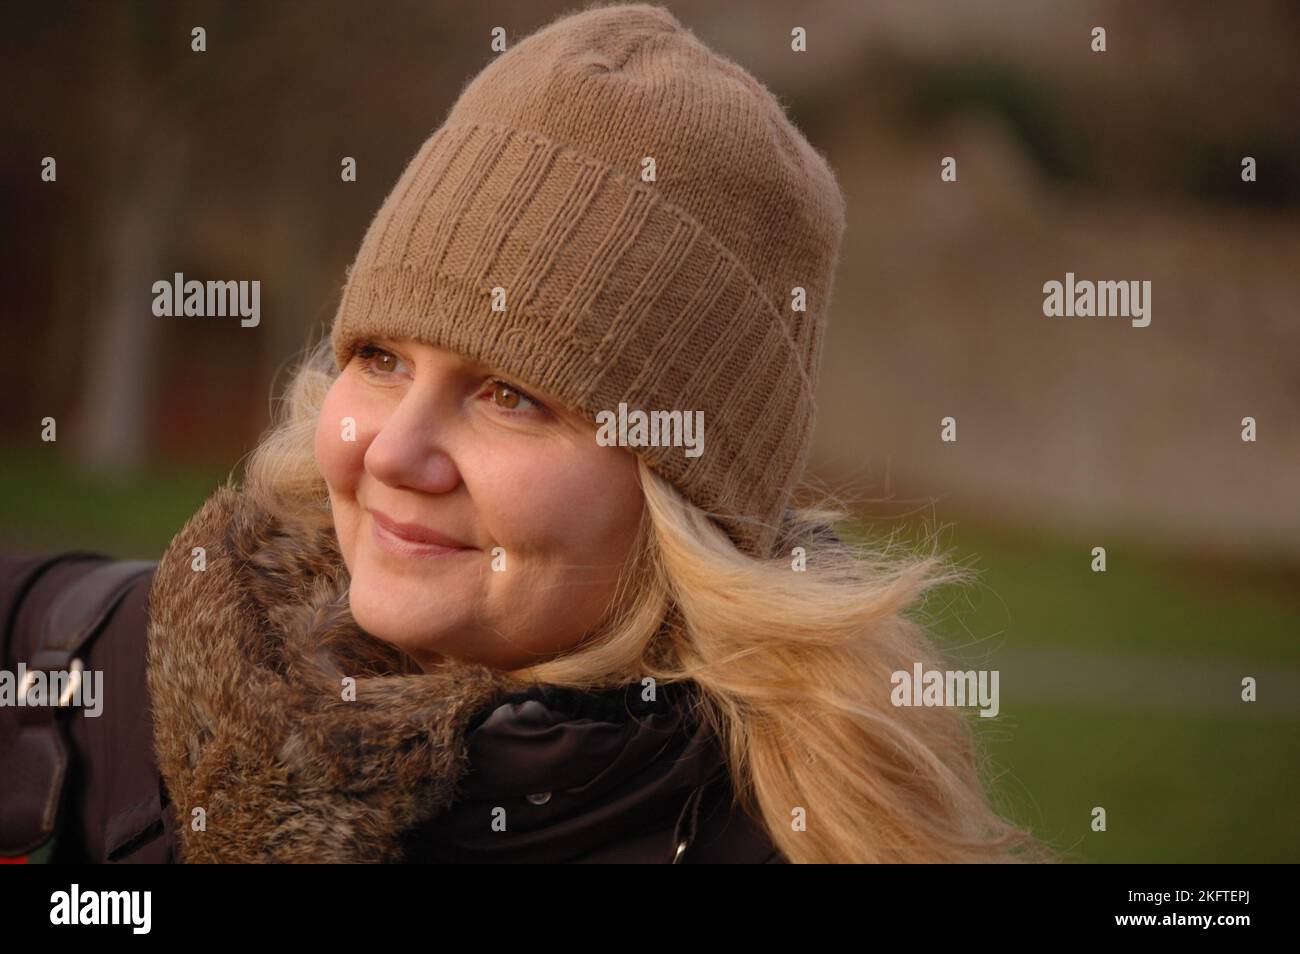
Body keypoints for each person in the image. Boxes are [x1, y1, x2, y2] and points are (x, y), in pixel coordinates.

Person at [0, 2, 1050, 863]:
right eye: (380, 359)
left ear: (683, 493)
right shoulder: (90, 662)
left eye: (510, 395)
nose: (391, 452)